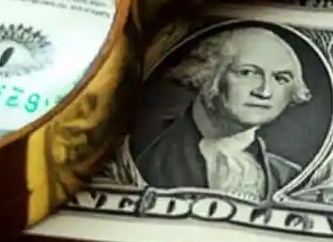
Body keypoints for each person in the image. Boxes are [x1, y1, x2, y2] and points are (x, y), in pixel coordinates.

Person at [132, 26, 312, 200]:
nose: (265, 92)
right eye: (248, 73)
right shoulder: (149, 159)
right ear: (208, 74)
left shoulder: (288, 176)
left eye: (280, 78)